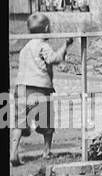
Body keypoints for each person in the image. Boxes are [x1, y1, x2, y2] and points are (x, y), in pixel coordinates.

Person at [11, 13, 72, 166]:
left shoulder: (25, 48)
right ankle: (46, 151)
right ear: (46, 28)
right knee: (46, 121)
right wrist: (65, 46)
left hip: (21, 89)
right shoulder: (43, 46)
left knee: (19, 122)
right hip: (39, 89)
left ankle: (13, 152)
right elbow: (53, 59)